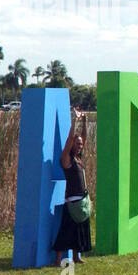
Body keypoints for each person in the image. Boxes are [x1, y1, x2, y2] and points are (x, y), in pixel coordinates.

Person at [52, 108, 92, 265]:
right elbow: (69, 140)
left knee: (80, 232)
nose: (80, 145)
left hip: (82, 201)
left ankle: (76, 256)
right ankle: (57, 260)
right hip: (72, 202)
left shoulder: (78, 158)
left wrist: (84, 121)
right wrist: (74, 120)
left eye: (81, 144)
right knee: (66, 231)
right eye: (78, 143)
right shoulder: (66, 159)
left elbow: (85, 137)